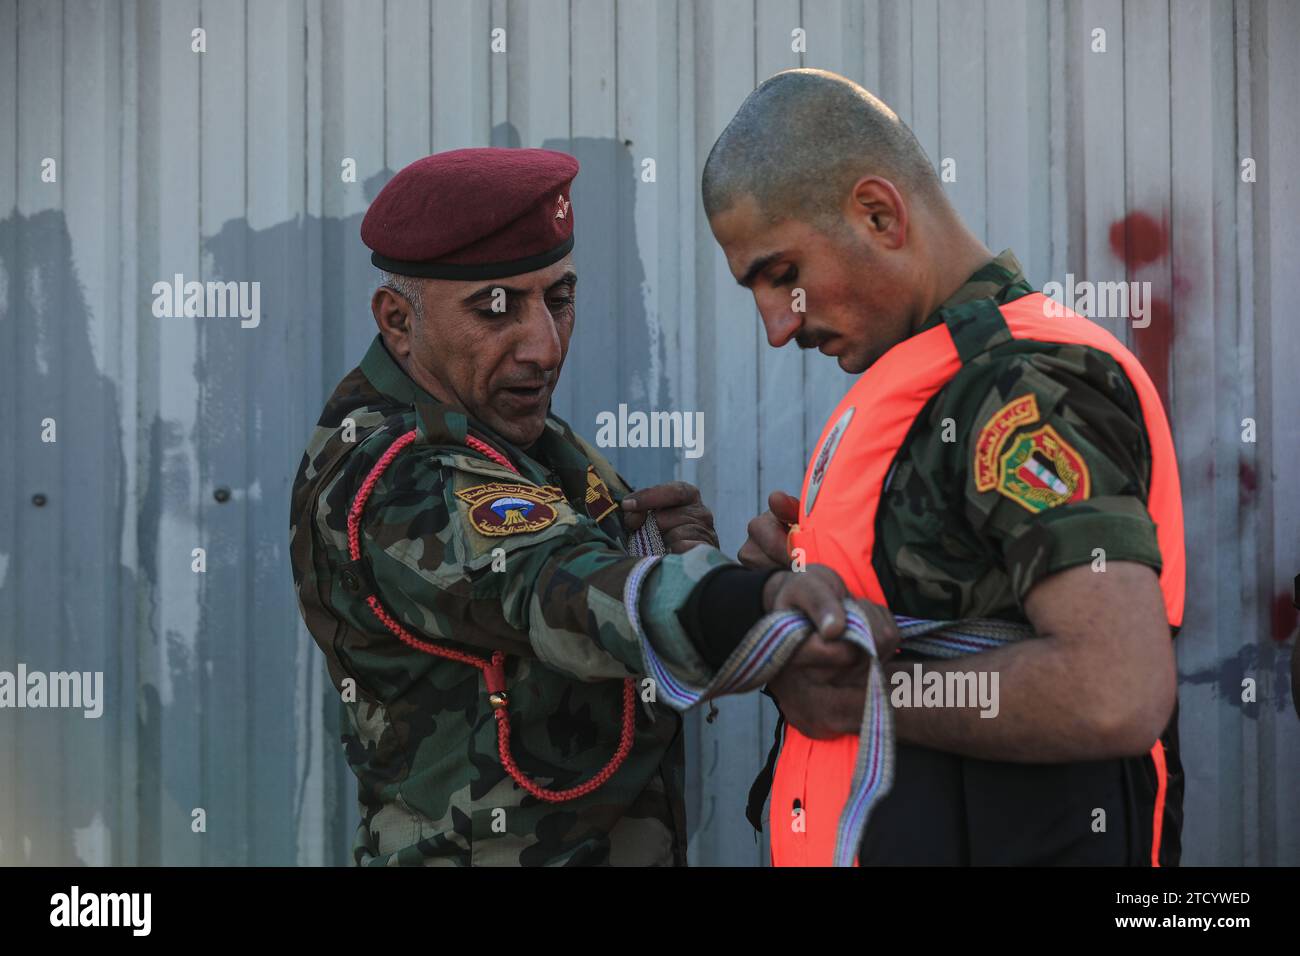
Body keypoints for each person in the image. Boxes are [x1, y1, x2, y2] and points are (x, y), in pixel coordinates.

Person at [289, 146, 859, 866]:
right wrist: (759, 604)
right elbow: (554, 585)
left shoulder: (505, 422)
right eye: (496, 308)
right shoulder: (397, 472)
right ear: (399, 319)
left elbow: (597, 569)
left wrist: (674, 554)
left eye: (558, 298)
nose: (544, 345)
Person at [703, 69, 1186, 866]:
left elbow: (1115, 692)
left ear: (879, 214)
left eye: (783, 275)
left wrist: (863, 700)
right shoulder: (937, 377)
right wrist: (804, 574)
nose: (775, 328)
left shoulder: (1018, 389)